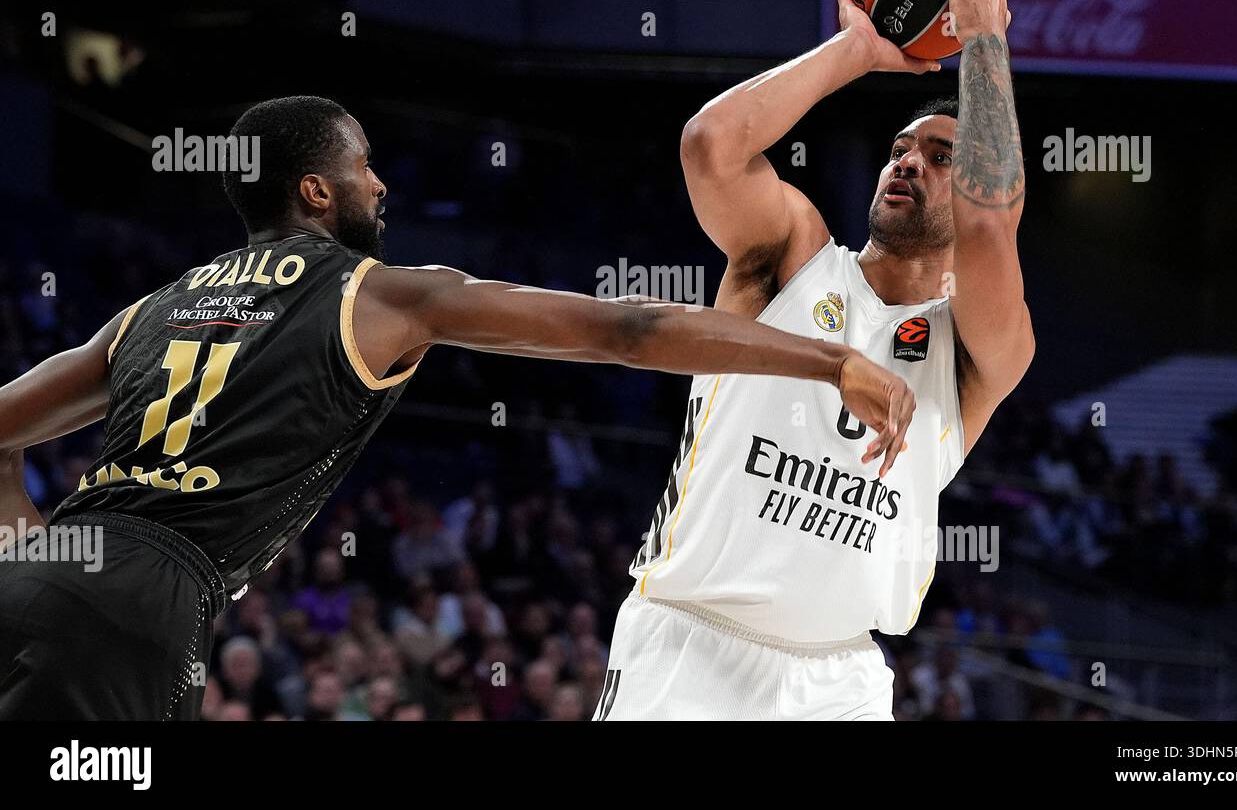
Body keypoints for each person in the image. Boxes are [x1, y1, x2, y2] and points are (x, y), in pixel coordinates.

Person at [0, 94, 914, 720]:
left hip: (37, 583)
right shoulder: (381, 295)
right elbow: (625, 329)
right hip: (140, 604)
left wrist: (34, 557)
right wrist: (829, 360)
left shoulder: (148, 310)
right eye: (364, 168)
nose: (382, 184)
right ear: (315, 191)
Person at [599, 0, 1033, 720]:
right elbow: (710, 146)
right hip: (691, 644)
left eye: (941, 157)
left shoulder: (977, 356)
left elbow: (987, 223)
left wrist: (984, 40)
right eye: (901, 148)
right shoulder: (793, 254)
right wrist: (859, 52)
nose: (909, 162)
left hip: (842, 680)